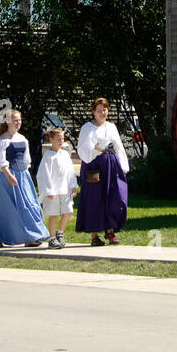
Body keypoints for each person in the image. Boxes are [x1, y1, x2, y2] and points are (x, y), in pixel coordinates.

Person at [0, 110, 49, 248]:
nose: (18, 123)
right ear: (8, 122)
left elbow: (26, 159)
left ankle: (31, 235)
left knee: (29, 205)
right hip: (6, 178)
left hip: (22, 176)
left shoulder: (22, 138)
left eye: (20, 120)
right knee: (5, 209)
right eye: (15, 120)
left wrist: (24, 172)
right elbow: (0, 161)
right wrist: (9, 175)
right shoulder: (1, 140)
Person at [76, 97, 130, 245]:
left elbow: (118, 146)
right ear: (93, 112)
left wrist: (123, 167)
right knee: (95, 198)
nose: (102, 113)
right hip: (93, 165)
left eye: (104, 110)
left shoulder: (111, 127)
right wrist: (95, 149)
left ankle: (110, 231)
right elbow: (82, 148)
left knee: (113, 196)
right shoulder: (87, 127)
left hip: (110, 165)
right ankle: (94, 236)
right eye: (99, 110)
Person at [36, 127, 77, 249]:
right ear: (51, 139)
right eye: (58, 139)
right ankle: (52, 238)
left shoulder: (65, 154)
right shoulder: (48, 156)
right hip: (53, 191)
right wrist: (48, 190)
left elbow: (70, 171)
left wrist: (73, 185)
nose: (61, 141)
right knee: (53, 214)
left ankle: (60, 232)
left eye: (62, 139)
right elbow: (44, 174)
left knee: (68, 211)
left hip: (65, 189)